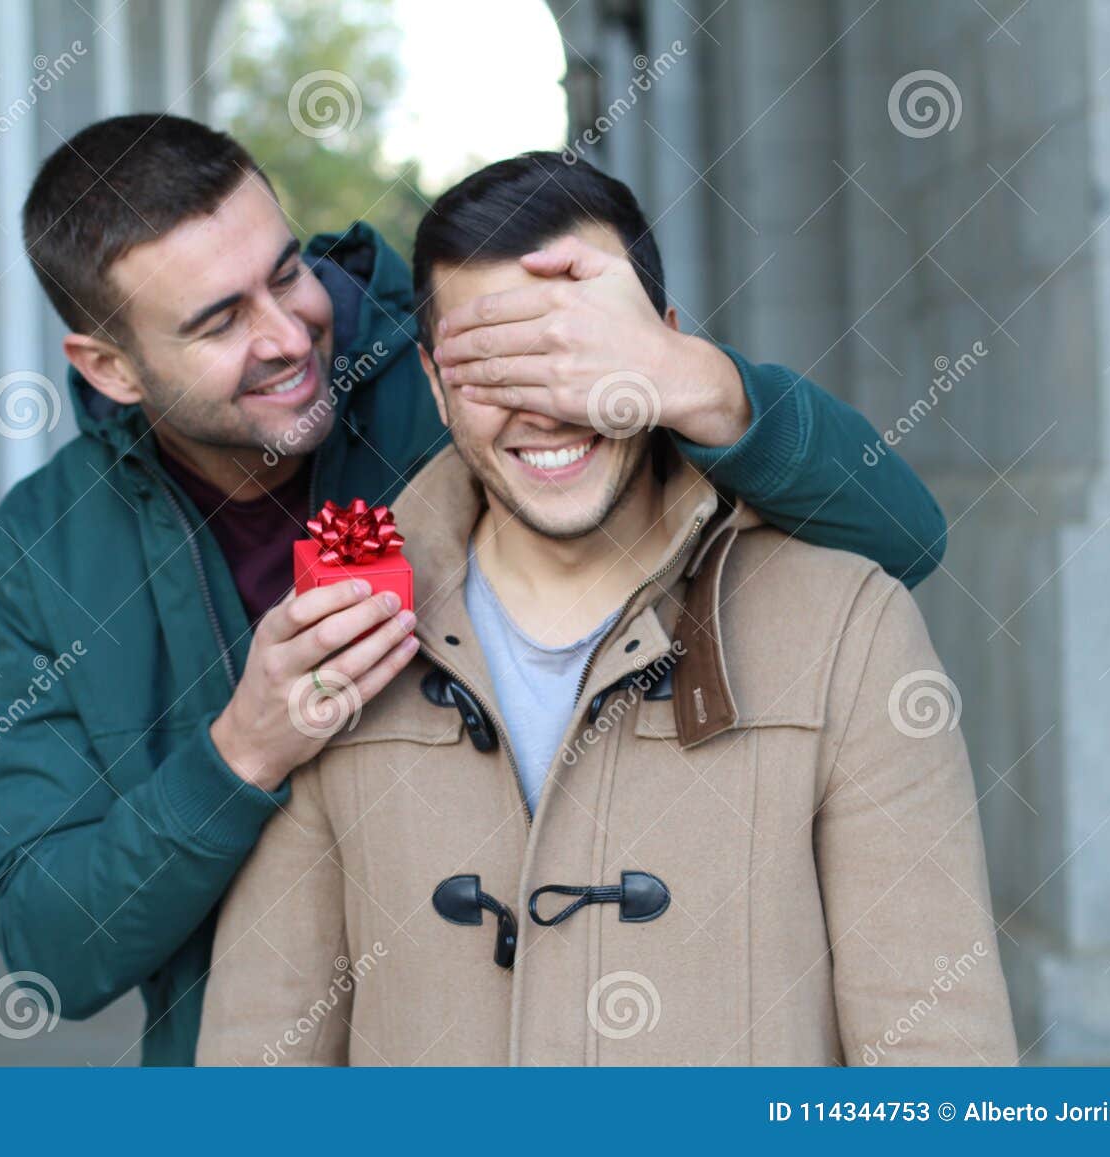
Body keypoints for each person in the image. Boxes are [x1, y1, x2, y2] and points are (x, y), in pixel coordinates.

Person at [0, 115, 951, 1065]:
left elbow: (895, 537)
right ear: (109, 367)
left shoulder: (476, 379)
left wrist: (695, 378)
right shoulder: (42, 554)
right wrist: (246, 747)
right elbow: (54, 955)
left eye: (285, 273)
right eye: (219, 320)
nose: (287, 335)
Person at [194, 152, 1014, 1066]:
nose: (546, 405)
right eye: (492, 364)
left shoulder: (848, 626)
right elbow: (261, 1045)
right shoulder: (334, 630)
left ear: (661, 344)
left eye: (573, 350)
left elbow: (936, 1052)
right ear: (431, 382)